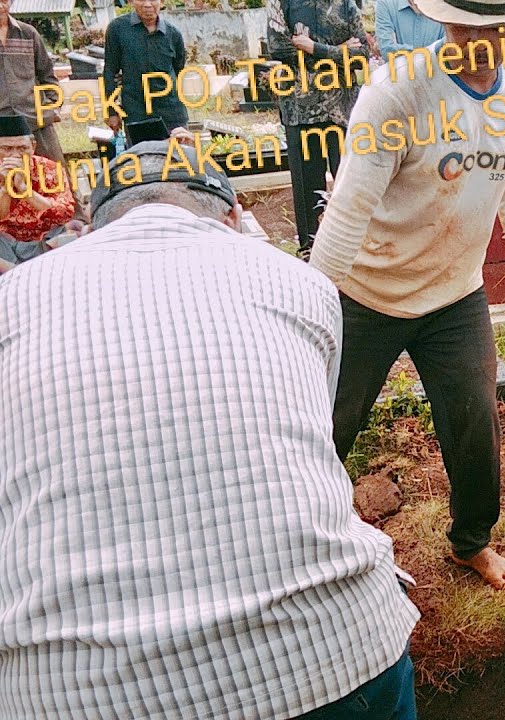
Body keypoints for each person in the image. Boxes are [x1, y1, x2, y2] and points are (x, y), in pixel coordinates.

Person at [0, 140, 420, 719]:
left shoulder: (10, 301)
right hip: (332, 656)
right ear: (232, 215)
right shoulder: (299, 283)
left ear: (90, 227)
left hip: (80, 691)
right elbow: (315, 431)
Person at [310, 0, 505, 591]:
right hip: (367, 293)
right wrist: (313, 304)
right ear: (443, 22)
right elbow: (350, 208)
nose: (477, 39)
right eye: (464, 25)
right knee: (326, 426)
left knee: (474, 422)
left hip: (455, 294)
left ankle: (471, 543)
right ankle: (300, 541)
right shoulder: (397, 93)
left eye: (493, 28)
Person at [268, 0, 367, 251]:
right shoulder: (281, 3)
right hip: (300, 113)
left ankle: (356, 254)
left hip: (341, 112)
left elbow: (362, 55)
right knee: (306, 193)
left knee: (350, 186)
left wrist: (314, 47)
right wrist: (339, 50)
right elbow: (279, 48)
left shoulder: (344, 4)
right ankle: (309, 253)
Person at [103, 0, 190, 137]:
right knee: (141, 157)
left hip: (172, 114)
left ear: (161, 2)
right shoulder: (117, 29)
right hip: (136, 113)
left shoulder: (173, 34)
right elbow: (110, 71)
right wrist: (112, 111)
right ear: (131, 2)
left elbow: (178, 69)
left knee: (176, 156)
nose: (147, 4)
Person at [0, 115, 74, 268]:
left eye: (22, 148)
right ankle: (13, 271)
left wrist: (24, 190)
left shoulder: (49, 168)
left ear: (33, 147)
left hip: (41, 243)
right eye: (7, 149)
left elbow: (64, 212)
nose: (14, 155)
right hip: (4, 247)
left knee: (65, 229)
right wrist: (6, 187)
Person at [0, 0, 63, 163]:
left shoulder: (28, 34)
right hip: (1, 123)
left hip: (35, 120)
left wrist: (52, 109)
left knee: (55, 175)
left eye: (3, 0)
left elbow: (48, 76)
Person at [375, 0, 444, 56]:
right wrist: (431, 52)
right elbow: (387, 49)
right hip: (399, 72)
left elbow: (449, 48)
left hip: (438, 71)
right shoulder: (386, 3)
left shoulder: (445, 7)